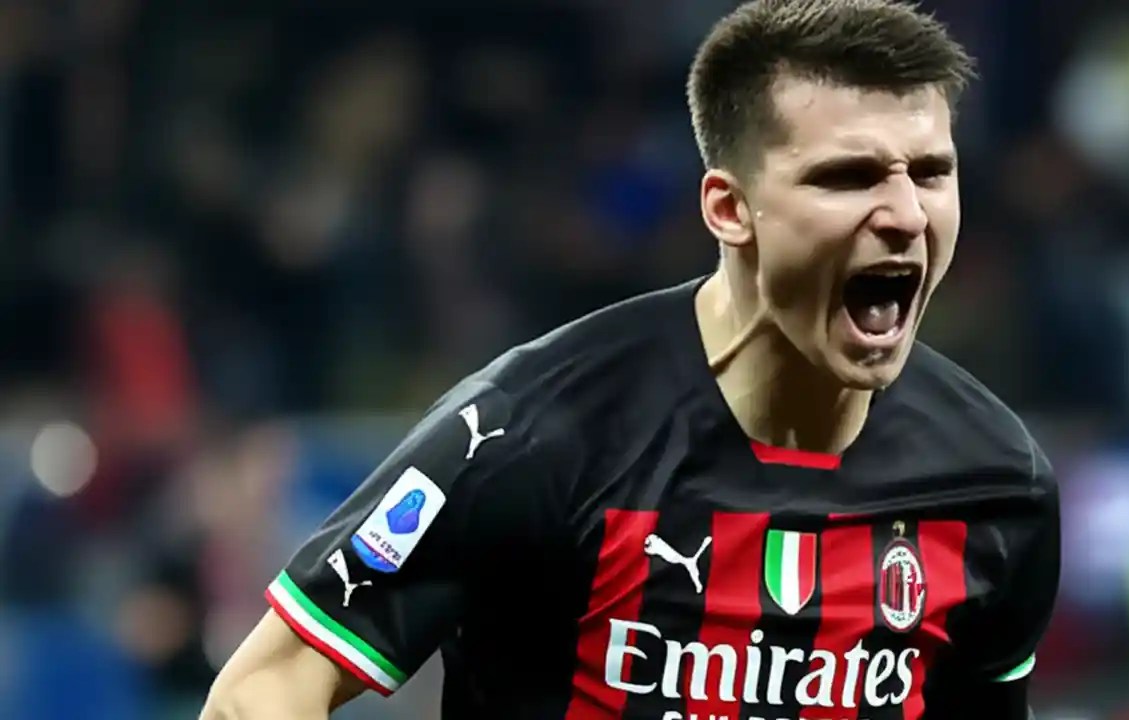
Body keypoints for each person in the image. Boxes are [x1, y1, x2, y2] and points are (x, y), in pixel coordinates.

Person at [199, 0, 1060, 718]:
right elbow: (265, 687)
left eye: (931, 172)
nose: (907, 213)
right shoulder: (534, 433)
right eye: (849, 177)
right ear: (730, 208)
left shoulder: (995, 484)